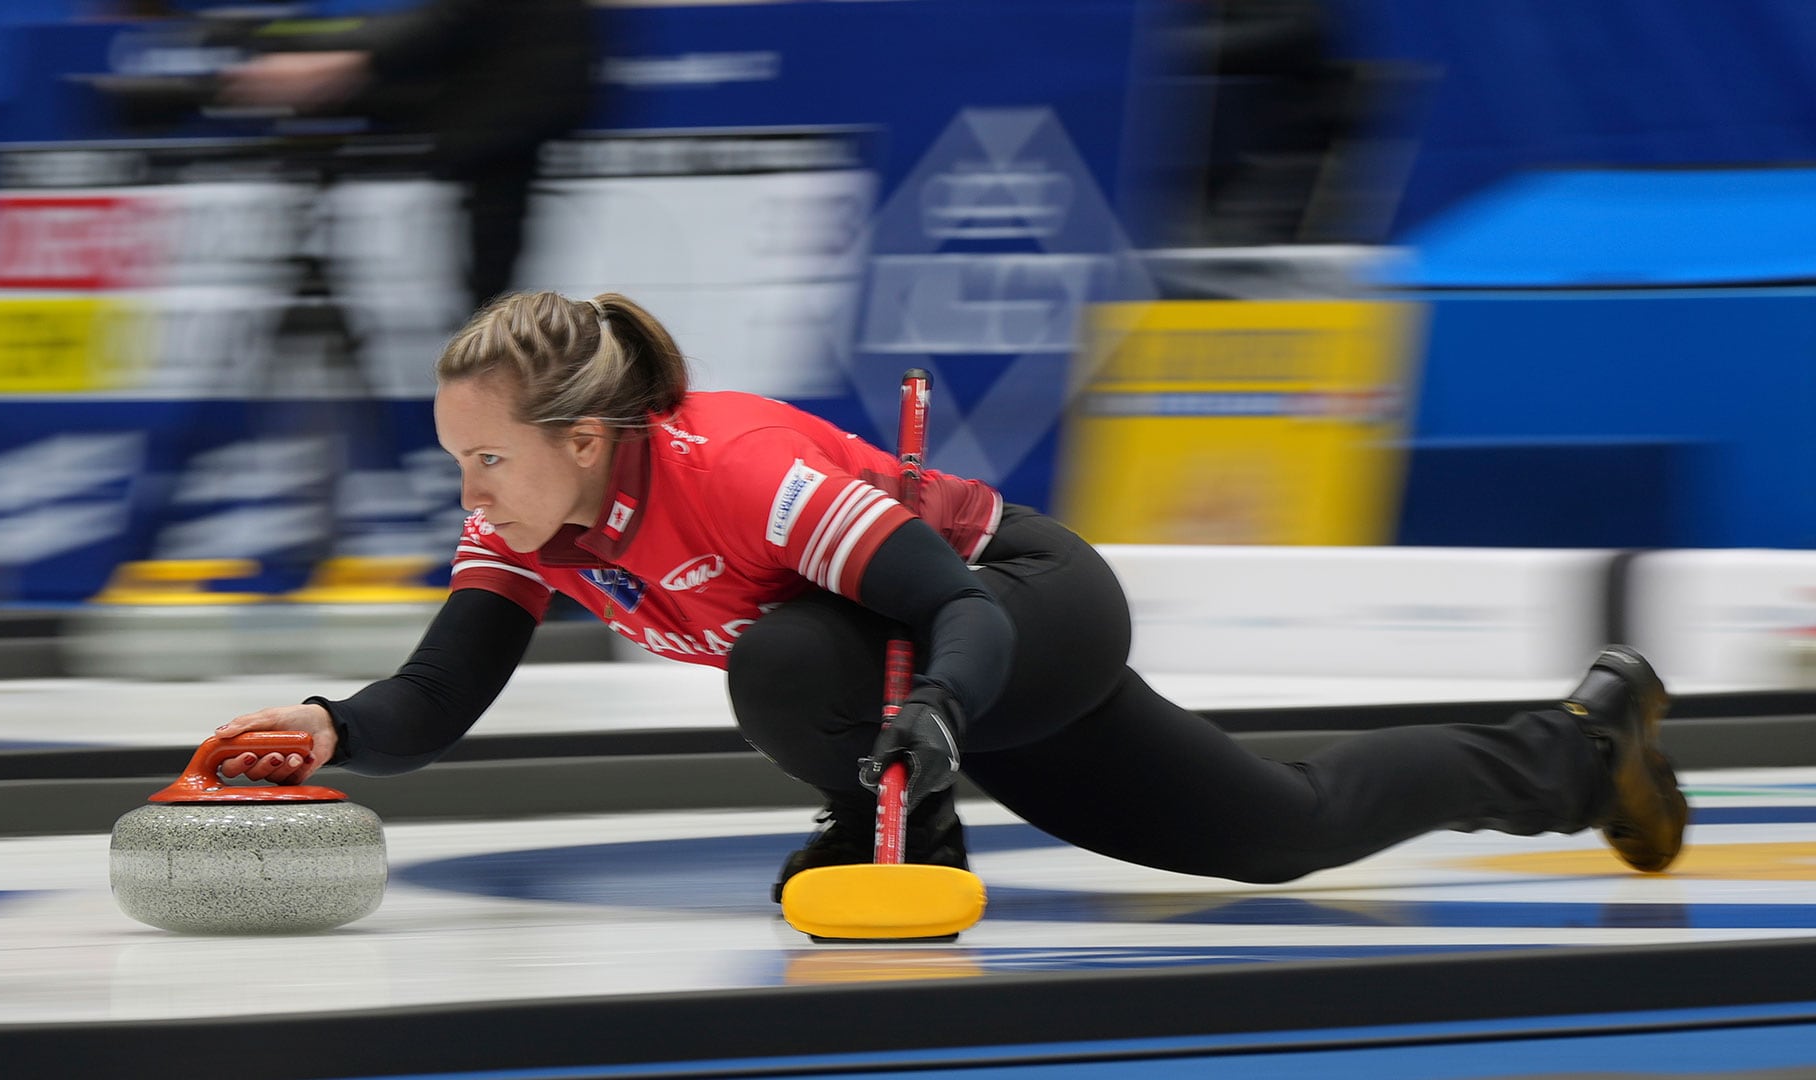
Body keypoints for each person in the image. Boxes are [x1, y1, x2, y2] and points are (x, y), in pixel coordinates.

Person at [216, 290, 1689, 898]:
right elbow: (438, 697)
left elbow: (962, 612)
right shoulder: (530, 527)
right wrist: (331, 731)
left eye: (486, 458)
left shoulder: (737, 467)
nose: (469, 492)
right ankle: (1581, 749)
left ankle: (911, 823)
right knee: (1278, 833)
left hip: (1024, 606)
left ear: (587, 438)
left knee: (786, 659)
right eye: (457, 462)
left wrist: (933, 727)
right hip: (919, 681)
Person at [219, 0, 598, 311]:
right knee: (491, 279)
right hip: (505, 111)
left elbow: (451, 19)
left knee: (491, 282)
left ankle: (492, 364)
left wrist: (346, 57)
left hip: (504, 113)